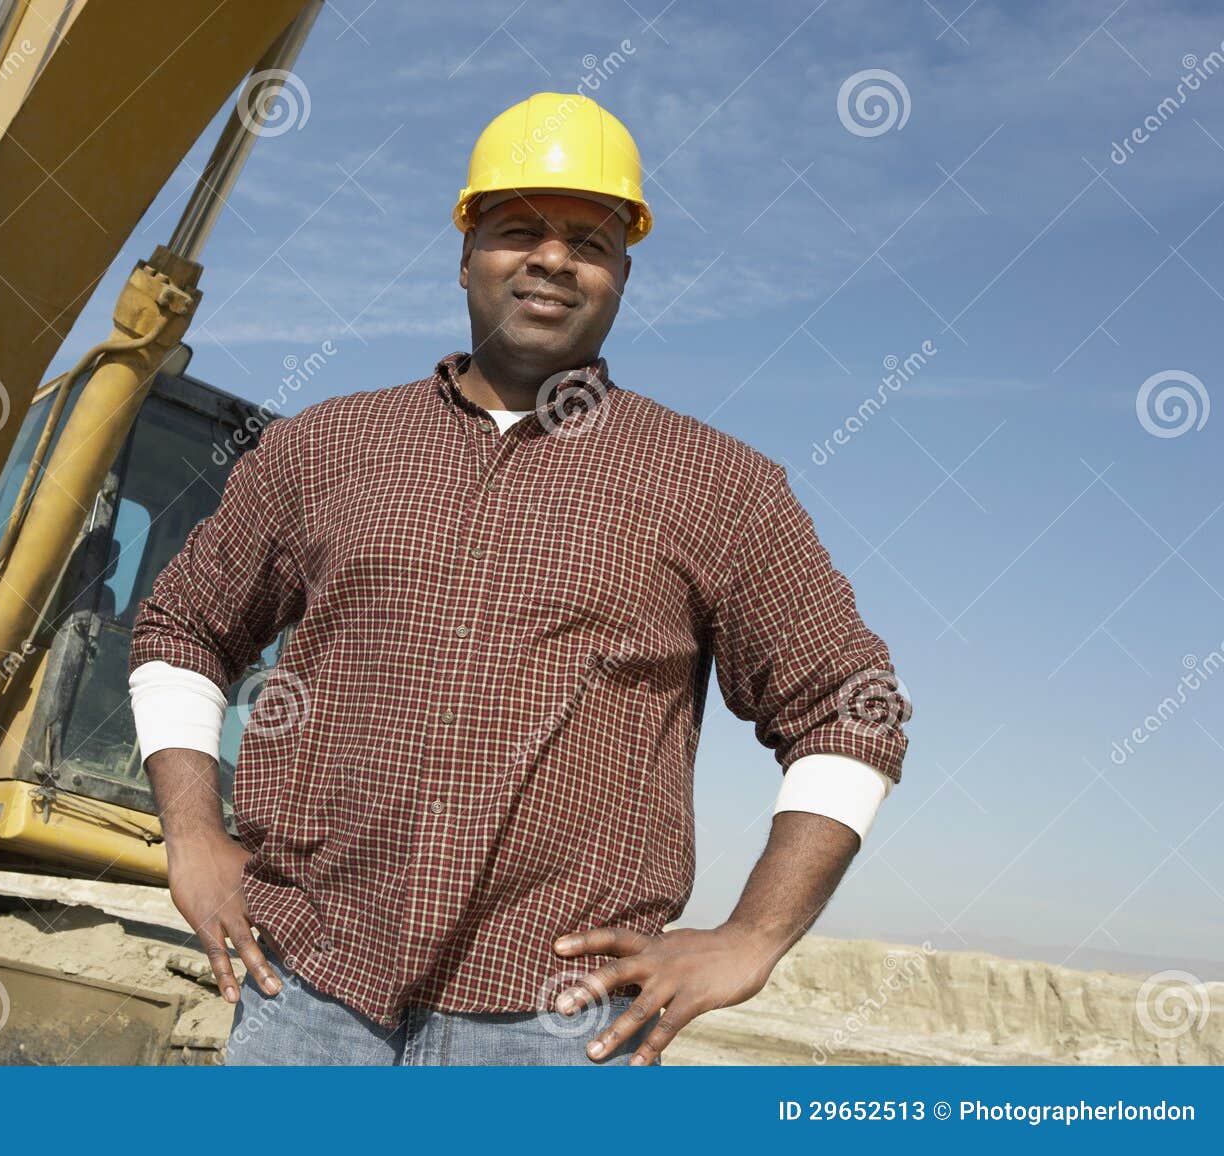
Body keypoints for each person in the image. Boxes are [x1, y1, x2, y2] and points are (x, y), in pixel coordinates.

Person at [127, 92, 911, 1066]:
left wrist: (752, 934)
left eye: (588, 240)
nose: (551, 257)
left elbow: (851, 707)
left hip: (556, 1030)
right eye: (518, 230)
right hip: (308, 998)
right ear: (466, 255)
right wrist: (191, 835)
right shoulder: (323, 448)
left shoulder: (719, 486)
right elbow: (182, 629)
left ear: (623, 272)